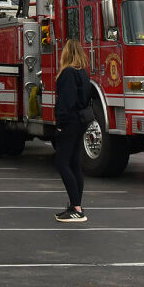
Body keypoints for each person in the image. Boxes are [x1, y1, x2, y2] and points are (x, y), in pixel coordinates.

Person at [53, 38, 92, 223]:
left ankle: (76, 208)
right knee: (75, 163)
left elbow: (65, 101)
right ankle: (75, 206)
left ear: (67, 53)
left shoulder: (68, 72)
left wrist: (60, 122)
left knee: (62, 163)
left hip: (69, 121)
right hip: (81, 121)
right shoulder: (83, 73)